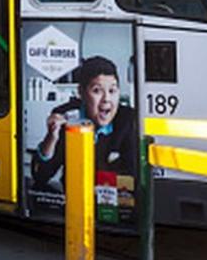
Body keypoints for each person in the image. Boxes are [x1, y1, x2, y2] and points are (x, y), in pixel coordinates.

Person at [32, 56, 137, 188]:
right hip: (73, 197)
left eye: (112, 90)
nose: (106, 99)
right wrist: (51, 138)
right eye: (97, 91)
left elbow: (131, 177)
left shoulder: (127, 120)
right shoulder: (66, 117)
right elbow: (40, 176)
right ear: (81, 92)